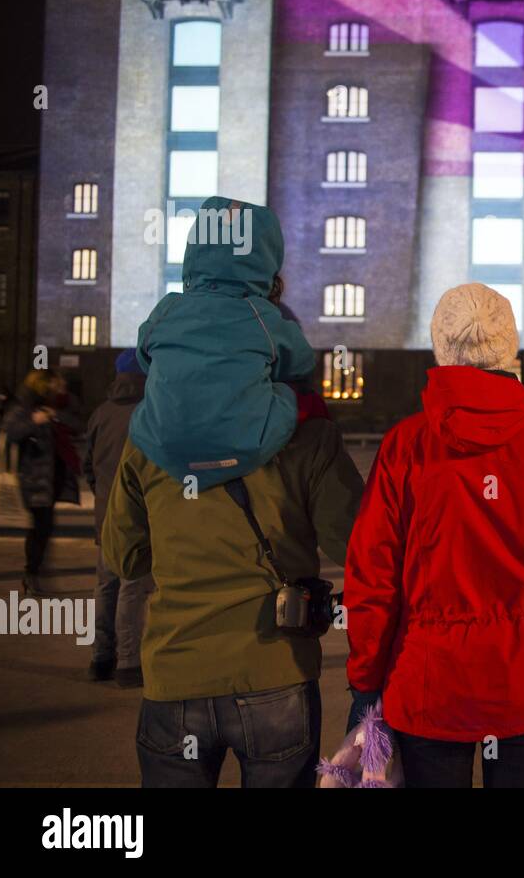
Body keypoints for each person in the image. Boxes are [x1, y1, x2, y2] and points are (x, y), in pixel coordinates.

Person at [102, 199, 365, 788]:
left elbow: (123, 556)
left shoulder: (148, 434)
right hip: (273, 677)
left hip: (173, 676)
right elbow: (357, 544)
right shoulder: (308, 432)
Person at [344, 284, 524, 788]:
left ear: (441, 348)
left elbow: (372, 576)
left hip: (429, 683)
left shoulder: (406, 446)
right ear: (511, 348)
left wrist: (366, 679)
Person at [128, 196, 316, 493]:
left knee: (149, 402)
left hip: (164, 444)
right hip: (246, 447)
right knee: (288, 394)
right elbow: (302, 361)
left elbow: (143, 354)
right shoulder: (261, 315)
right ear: (266, 260)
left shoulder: (168, 309)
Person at [83, 349, 154, 687]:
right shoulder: (149, 413)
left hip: (104, 515)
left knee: (105, 586)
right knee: (132, 587)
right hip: (137, 516)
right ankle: (127, 662)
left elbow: (88, 467)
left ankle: (100, 658)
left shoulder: (100, 412)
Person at [0, 369, 82, 596]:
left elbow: (75, 425)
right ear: (43, 386)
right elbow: (9, 433)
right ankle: (33, 573)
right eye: (54, 385)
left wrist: (53, 414)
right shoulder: (23, 407)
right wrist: (34, 422)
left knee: (43, 527)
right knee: (40, 527)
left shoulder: (53, 406)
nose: (58, 388)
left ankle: (35, 572)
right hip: (33, 480)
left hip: (52, 477)